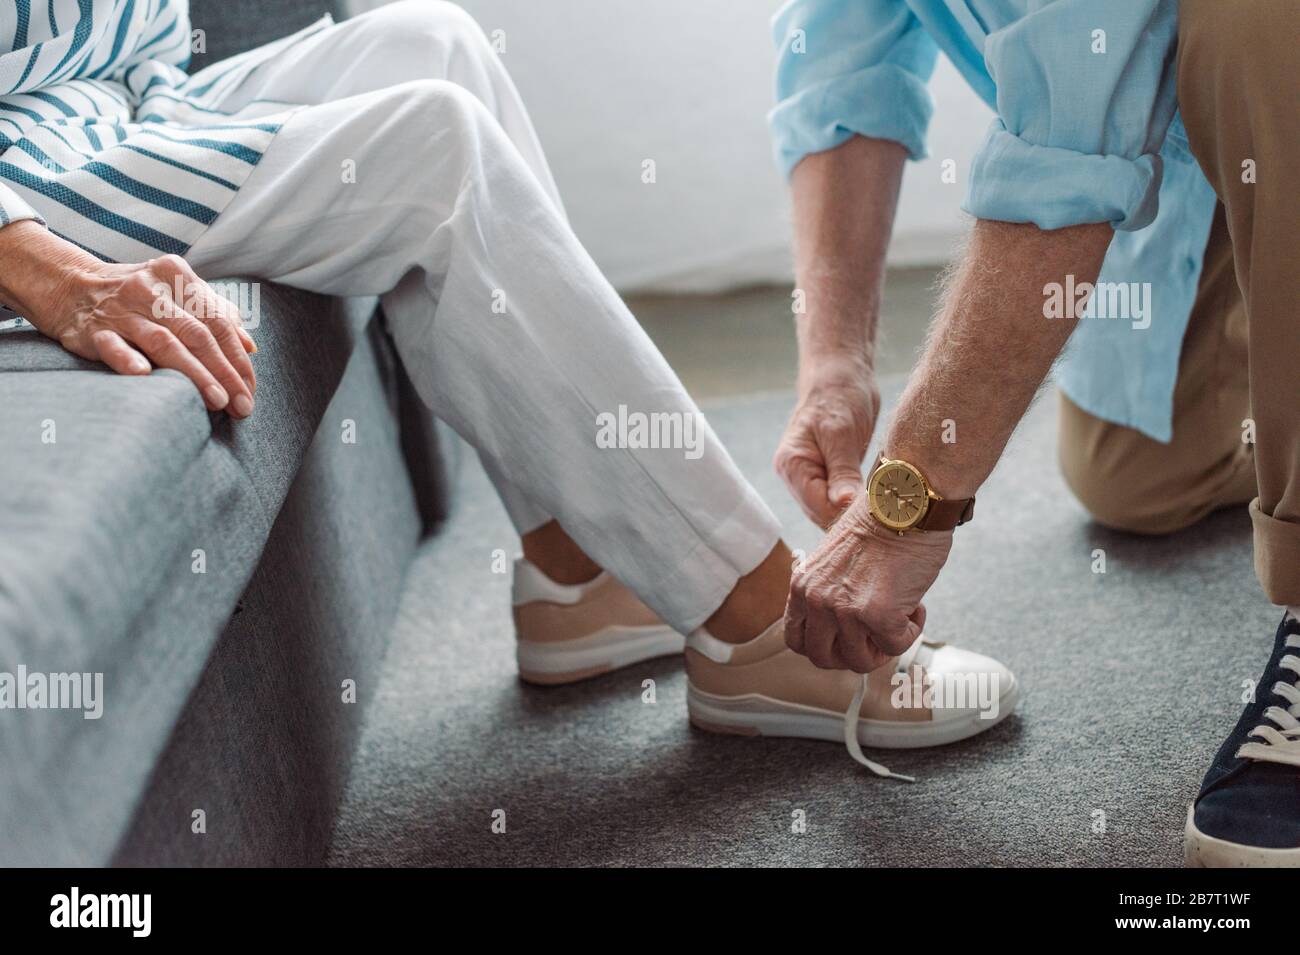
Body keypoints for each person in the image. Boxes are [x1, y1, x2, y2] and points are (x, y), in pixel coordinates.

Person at [0, 0, 1016, 776]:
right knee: (430, 150)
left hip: (124, 97)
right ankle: (757, 627)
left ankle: (578, 575)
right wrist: (48, 272)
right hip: (28, 180)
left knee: (434, 39)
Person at [770, 0, 1299, 862]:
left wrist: (906, 504)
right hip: (1204, 143)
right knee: (1138, 480)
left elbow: (1072, 133)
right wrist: (834, 364)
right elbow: (838, 56)